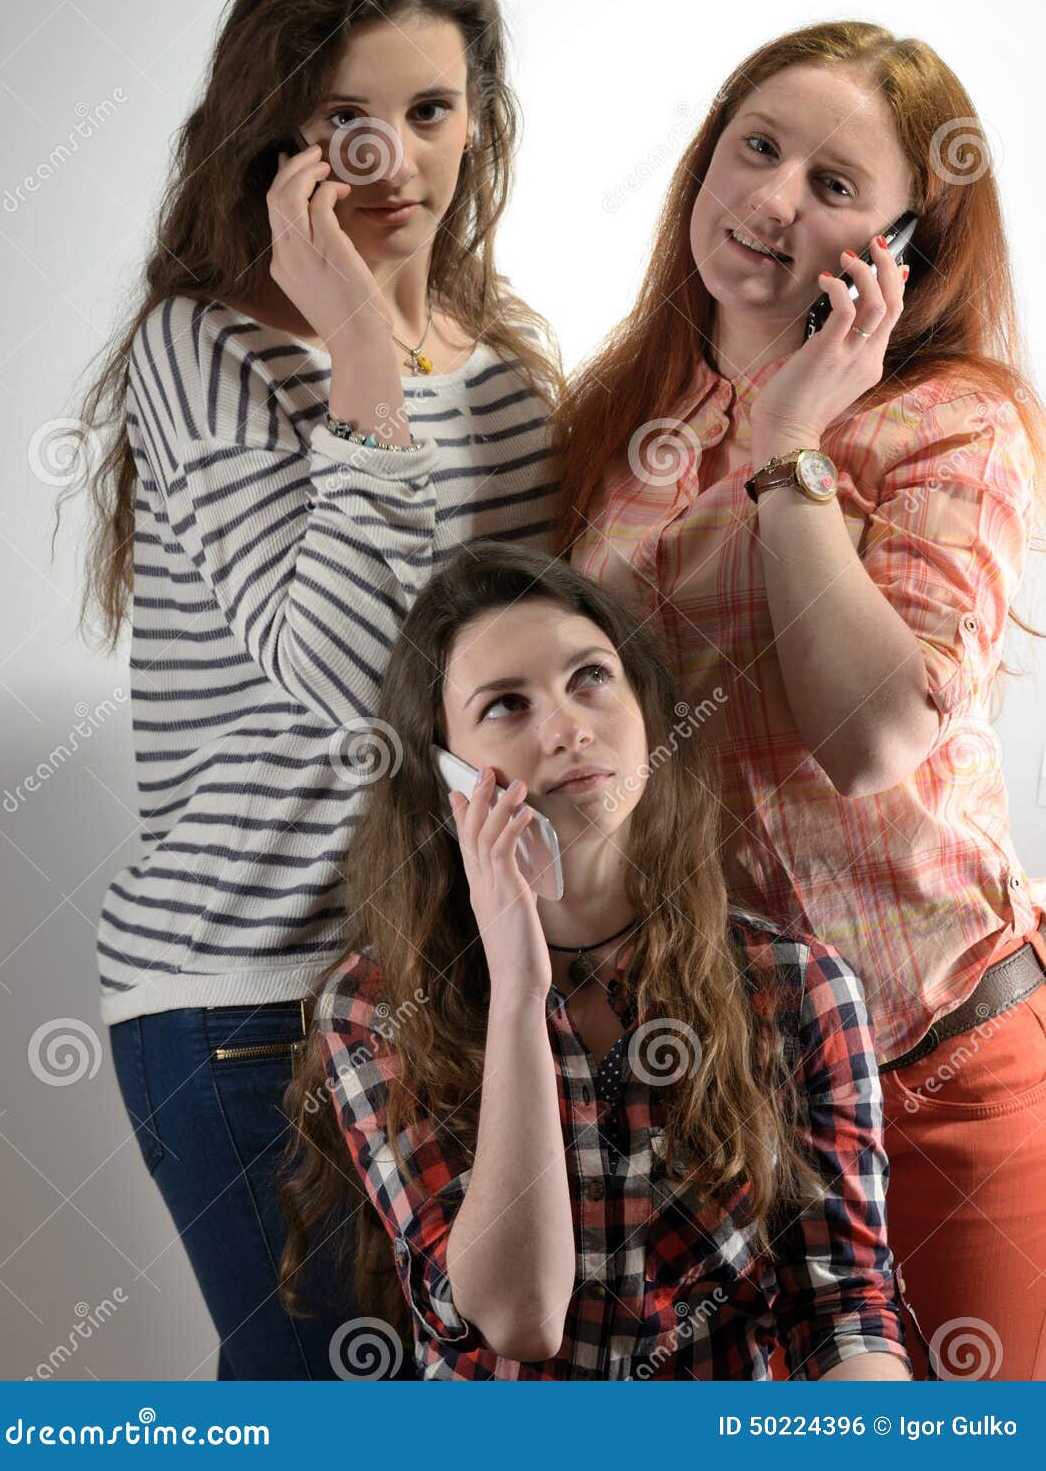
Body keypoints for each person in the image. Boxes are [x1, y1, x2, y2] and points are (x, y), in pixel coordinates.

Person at [60, 0, 561, 1380]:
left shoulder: (507, 375)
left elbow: (519, 689)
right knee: (325, 1411)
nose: (393, 159)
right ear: (278, 127)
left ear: (479, 120)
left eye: (431, 111)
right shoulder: (203, 344)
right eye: (348, 119)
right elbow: (347, 683)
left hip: (450, 986)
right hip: (247, 993)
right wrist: (357, 348)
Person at [553, 20, 1046, 1380]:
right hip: (723, 1099)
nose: (771, 200)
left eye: (833, 184)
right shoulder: (623, 420)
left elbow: (872, 736)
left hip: (932, 1063)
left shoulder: (951, 421)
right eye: (755, 146)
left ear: (903, 247)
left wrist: (786, 449)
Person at [279, 539, 913, 1381]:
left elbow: (841, 1310)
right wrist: (518, 990)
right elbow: (519, 1317)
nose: (568, 729)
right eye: (507, 705)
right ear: (445, 772)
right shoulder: (374, 1005)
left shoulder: (796, 982)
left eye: (590, 679)